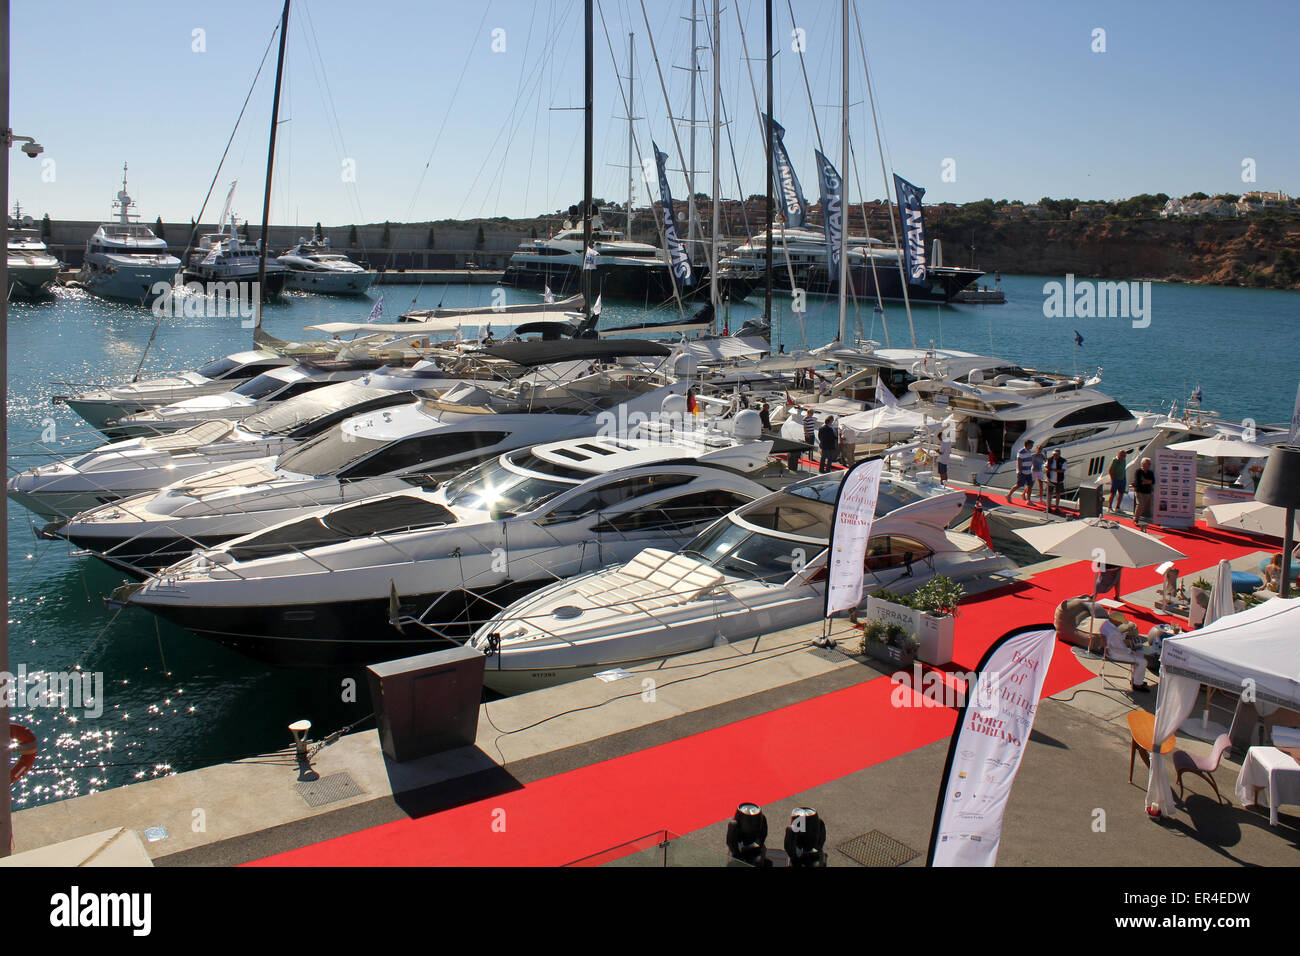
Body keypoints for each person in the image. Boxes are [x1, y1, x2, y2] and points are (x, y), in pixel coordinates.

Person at [1100, 617, 1149, 692]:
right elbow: (1119, 650)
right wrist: (1131, 650)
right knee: (1143, 661)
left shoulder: (1106, 625)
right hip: (1116, 655)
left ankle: (1136, 679)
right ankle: (1137, 684)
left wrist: (1126, 636)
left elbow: (1114, 638)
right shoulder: (1114, 633)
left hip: (1111, 651)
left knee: (1140, 655)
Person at [1133, 457, 1155, 529]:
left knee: (1143, 507)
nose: (1149, 465)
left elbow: (1153, 481)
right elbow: (1139, 482)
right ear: (1143, 464)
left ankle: (1137, 517)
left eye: (1149, 464)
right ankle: (1136, 519)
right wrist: (1147, 481)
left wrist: (1145, 481)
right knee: (1140, 504)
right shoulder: (1138, 471)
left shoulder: (1150, 472)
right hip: (1139, 490)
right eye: (1148, 463)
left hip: (1147, 491)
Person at [1046, 448, 1066, 513]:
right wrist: (1046, 469)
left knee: (1058, 494)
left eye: (1056, 454)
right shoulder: (1050, 459)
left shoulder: (1063, 461)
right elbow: (1045, 466)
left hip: (1059, 480)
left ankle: (1057, 507)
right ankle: (1049, 507)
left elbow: (1063, 470)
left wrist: (1053, 470)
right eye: (1054, 454)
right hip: (1050, 479)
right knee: (1049, 494)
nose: (1055, 456)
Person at [1015, 439, 1035, 504]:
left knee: (1030, 485)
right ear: (1028, 445)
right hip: (1023, 472)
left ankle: (1028, 500)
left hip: (1029, 471)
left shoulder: (1029, 451)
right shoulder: (1021, 452)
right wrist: (1020, 471)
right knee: (1018, 485)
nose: (1032, 446)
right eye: (1031, 445)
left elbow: (1030, 460)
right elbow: (1019, 462)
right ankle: (1009, 495)